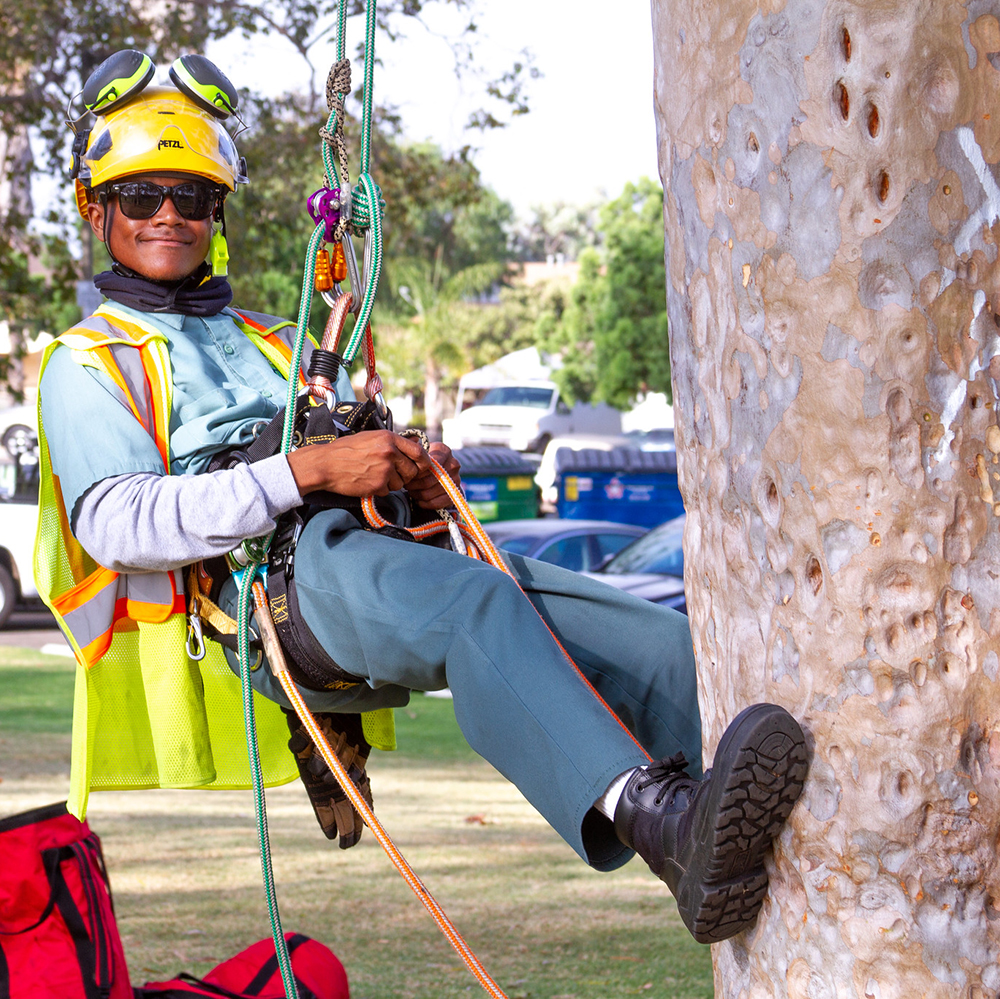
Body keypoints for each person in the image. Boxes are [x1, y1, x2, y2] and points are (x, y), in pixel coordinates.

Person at [36, 52, 808, 946]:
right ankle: (658, 819)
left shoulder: (274, 338)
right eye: (139, 197)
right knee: (475, 610)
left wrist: (392, 459)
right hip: (276, 583)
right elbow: (119, 523)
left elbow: (338, 447)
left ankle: (765, 806)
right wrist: (316, 472)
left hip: (383, 541)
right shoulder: (87, 363)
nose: (167, 214)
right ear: (98, 211)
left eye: (192, 195)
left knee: (651, 641)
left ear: (219, 214)